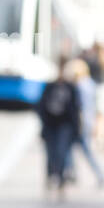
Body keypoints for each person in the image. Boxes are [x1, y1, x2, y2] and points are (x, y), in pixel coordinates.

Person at [36, 66, 81, 196]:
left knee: (61, 152)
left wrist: (76, 128)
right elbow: (41, 105)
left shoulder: (71, 88)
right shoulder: (50, 87)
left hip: (64, 125)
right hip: (50, 125)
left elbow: (75, 109)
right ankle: (50, 176)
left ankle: (60, 179)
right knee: (50, 153)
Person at [65, 58, 104, 189]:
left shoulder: (80, 86)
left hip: (81, 122)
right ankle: (74, 174)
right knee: (75, 149)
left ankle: (96, 175)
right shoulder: (90, 84)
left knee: (82, 150)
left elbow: (80, 107)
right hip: (88, 120)